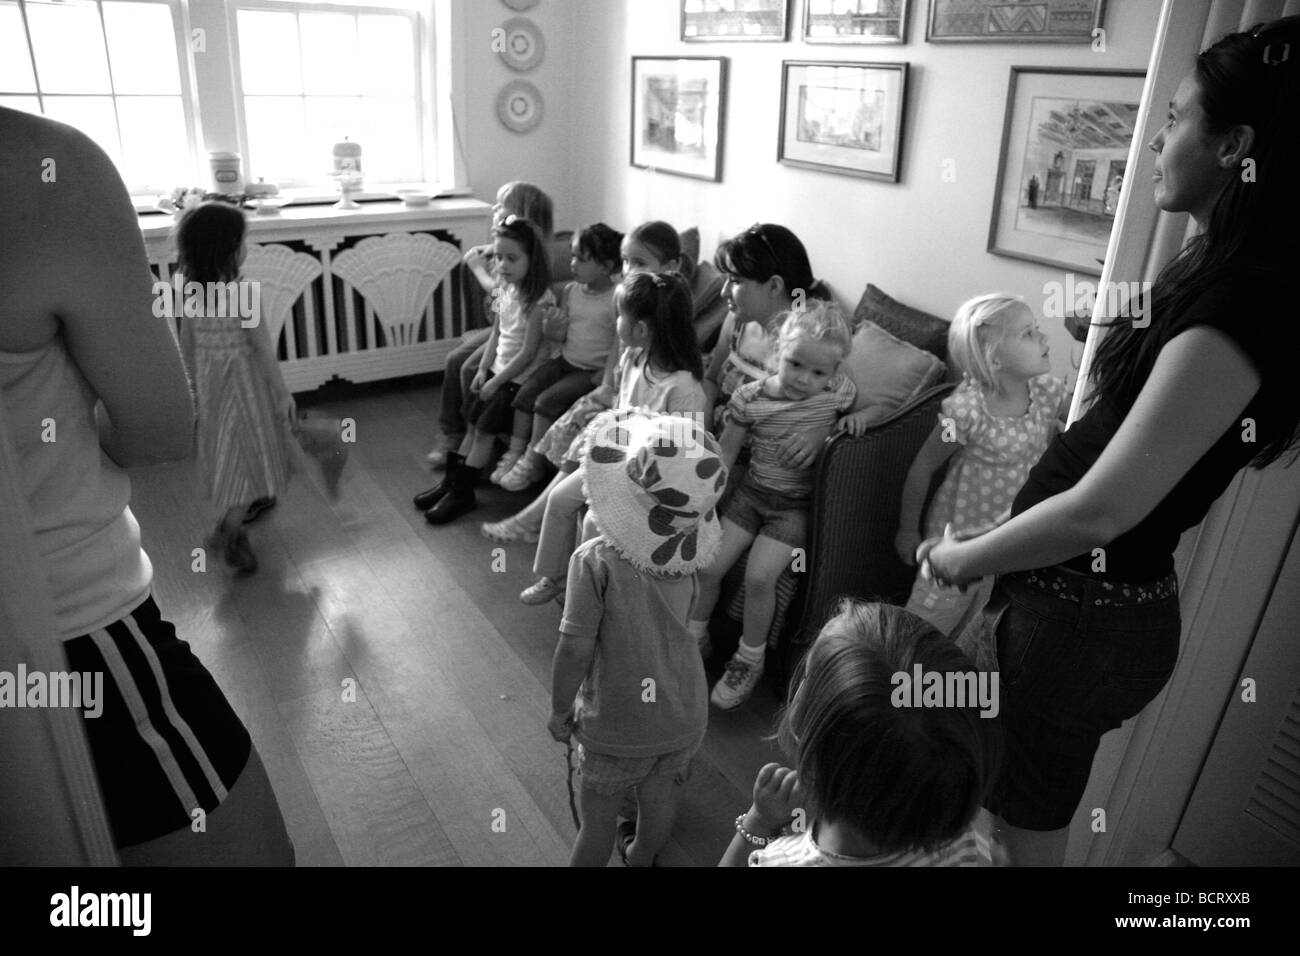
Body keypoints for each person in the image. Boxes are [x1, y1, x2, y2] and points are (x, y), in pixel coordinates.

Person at [918, 16, 1300, 866]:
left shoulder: (1244, 303)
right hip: (1074, 608)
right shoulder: (1217, 265)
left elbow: (1102, 512)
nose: (1157, 139)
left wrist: (965, 558)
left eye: (1173, 117)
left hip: (1085, 622)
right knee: (1007, 799)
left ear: (1234, 142)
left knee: (1027, 828)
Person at [0, 107, 292, 864]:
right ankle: (239, 519)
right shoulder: (42, 164)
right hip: (63, 620)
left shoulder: (185, 296)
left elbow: (191, 359)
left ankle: (233, 518)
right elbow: (160, 425)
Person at [547, 409, 728, 867]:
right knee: (659, 795)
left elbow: (574, 647)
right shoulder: (690, 555)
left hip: (618, 722)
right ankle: (643, 855)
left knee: (597, 821)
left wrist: (558, 708)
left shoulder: (594, 561)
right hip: (683, 710)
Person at [719, 601, 1000, 866]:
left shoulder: (781, 861)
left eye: (806, 677)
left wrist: (757, 823)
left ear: (816, 737)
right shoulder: (956, 837)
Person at [688, 302, 856, 710]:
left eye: (818, 372)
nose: (804, 379)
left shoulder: (836, 393)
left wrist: (831, 431)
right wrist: (705, 505)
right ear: (778, 351)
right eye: (795, 364)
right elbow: (725, 456)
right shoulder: (749, 398)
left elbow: (878, 412)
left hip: (794, 508)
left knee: (761, 578)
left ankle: (749, 660)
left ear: (833, 374)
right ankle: (693, 639)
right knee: (708, 566)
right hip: (751, 495)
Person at [478, 221, 686, 547]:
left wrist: (609, 393)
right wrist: (605, 385)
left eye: (639, 263)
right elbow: (620, 352)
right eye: (627, 261)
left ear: (673, 267)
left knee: (579, 432)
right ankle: (529, 481)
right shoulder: (619, 297)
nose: (629, 270)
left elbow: (664, 379)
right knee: (569, 423)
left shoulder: (666, 314)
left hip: (635, 421)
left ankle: (530, 515)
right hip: (615, 399)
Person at [517, 272, 707, 606]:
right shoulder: (632, 358)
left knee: (593, 521)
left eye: (621, 315)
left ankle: (592, 594)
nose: (616, 320)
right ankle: (555, 577)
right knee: (559, 499)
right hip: (615, 460)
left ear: (641, 329)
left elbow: (687, 456)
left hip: (651, 482)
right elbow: (621, 409)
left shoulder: (684, 389)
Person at [894, 294, 1069, 638]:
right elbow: (923, 467)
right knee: (925, 627)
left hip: (1006, 542)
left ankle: (942, 687)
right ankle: (897, 685)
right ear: (994, 358)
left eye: (1037, 329)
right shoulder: (964, 412)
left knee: (976, 626)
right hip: (955, 544)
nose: (1044, 338)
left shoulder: (1047, 394)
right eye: (1028, 334)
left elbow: (1086, 418)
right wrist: (907, 530)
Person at [174, 202, 297, 574]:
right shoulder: (243, 292)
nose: (246, 248)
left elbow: (187, 342)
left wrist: (192, 390)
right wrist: (282, 393)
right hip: (245, 386)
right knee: (250, 457)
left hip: (212, 388)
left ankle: (235, 517)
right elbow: (262, 347)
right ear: (227, 247)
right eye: (242, 241)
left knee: (229, 453)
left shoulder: (187, 288)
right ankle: (232, 530)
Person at [416, 215, 554, 524]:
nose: (502, 265)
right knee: (472, 428)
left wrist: (498, 381)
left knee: (483, 436)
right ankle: (450, 484)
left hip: (514, 380)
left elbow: (529, 352)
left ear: (533, 259)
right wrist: (482, 369)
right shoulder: (504, 290)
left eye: (512, 258)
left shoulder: (539, 301)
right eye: (499, 257)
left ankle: (462, 494)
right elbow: (496, 333)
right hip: (494, 373)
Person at [427, 181, 555, 467]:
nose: (495, 209)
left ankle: (477, 436)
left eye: (502, 206)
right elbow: (500, 312)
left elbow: (497, 291)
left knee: (467, 367)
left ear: (520, 214)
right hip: (503, 327)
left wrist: (476, 268)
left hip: (516, 333)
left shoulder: (530, 267)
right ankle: (455, 432)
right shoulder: (512, 251)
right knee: (456, 360)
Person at [495, 223, 623, 492]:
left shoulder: (615, 298)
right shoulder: (571, 291)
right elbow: (559, 334)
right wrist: (553, 330)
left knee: (546, 401)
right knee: (526, 392)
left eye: (581, 259)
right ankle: (515, 453)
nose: (573, 264)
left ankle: (533, 462)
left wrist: (607, 377)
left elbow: (617, 342)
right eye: (573, 255)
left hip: (590, 371)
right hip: (564, 361)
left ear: (607, 266)